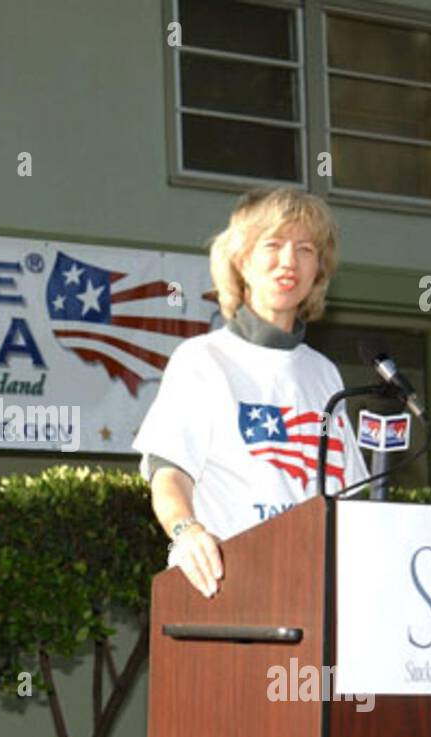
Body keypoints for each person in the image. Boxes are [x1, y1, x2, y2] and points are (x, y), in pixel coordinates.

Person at [133, 188, 369, 598]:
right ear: (241, 261)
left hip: (315, 592)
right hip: (228, 591)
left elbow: (350, 498)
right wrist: (186, 532)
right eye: (272, 245)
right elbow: (168, 474)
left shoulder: (324, 373)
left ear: (319, 270)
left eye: (305, 249)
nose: (288, 261)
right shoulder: (202, 360)